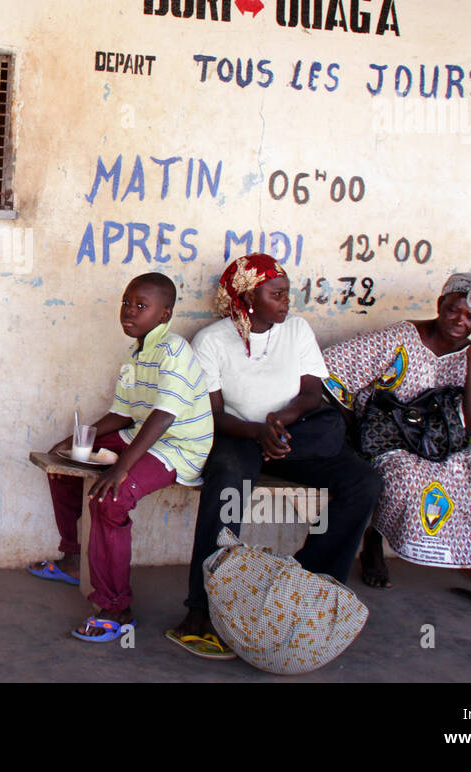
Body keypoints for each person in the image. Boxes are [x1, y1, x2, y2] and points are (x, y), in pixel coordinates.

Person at [168, 255, 380, 659]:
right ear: (248, 296)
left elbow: (311, 395)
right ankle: (201, 608)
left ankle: (311, 583)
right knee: (227, 480)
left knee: (363, 481)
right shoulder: (212, 341)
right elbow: (212, 415)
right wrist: (257, 432)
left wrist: (277, 425)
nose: (287, 302)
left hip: (290, 435)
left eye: (287, 293)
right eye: (277, 294)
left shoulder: (296, 330)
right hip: (238, 436)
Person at [321, 272, 471, 613]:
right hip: (392, 439)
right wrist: (354, 426)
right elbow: (330, 367)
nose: (460, 321)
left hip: (442, 438)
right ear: (440, 305)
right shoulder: (401, 337)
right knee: (408, 474)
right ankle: (374, 543)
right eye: (454, 310)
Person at [27, 273, 213, 642]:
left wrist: (122, 467)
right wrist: (77, 440)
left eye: (141, 306)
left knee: (111, 498)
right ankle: (74, 558)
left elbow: (164, 416)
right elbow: (124, 412)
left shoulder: (174, 350)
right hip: (143, 435)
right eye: (126, 303)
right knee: (64, 467)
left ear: (164, 315)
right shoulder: (136, 354)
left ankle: (115, 609)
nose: (129, 312)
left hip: (178, 444)